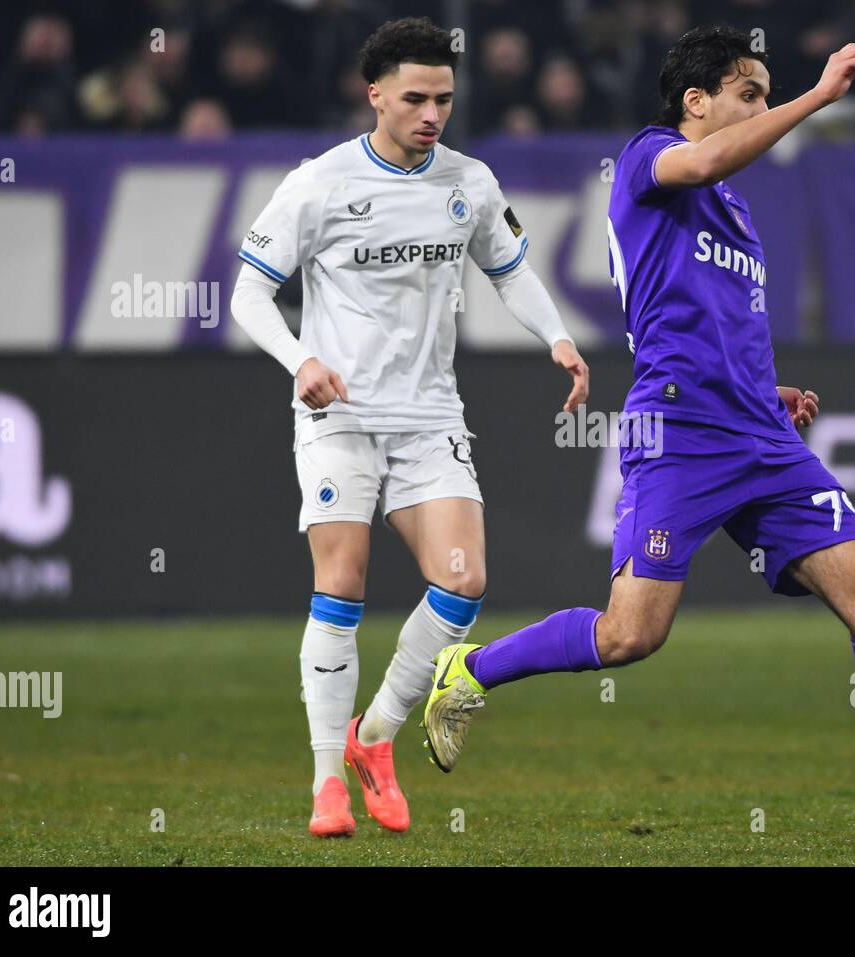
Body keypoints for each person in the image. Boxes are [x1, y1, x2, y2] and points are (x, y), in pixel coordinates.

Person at [422, 26, 855, 837]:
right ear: (695, 101)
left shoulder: (735, 213)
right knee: (632, 634)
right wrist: (817, 98)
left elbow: (709, 314)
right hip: (679, 432)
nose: (764, 107)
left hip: (760, 437)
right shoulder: (648, 159)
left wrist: (764, 389)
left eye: (772, 95)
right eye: (751, 94)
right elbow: (705, 162)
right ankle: (466, 669)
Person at [229, 17, 589, 837]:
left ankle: (376, 735)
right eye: (418, 98)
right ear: (377, 96)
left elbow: (513, 272)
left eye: (446, 99)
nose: (433, 113)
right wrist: (299, 361)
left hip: (429, 415)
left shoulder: (469, 182)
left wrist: (560, 338)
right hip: (339, 413)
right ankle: (326, 781)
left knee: (462, 581)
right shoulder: (318, 185)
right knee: (343, 582)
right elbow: (248, 292)